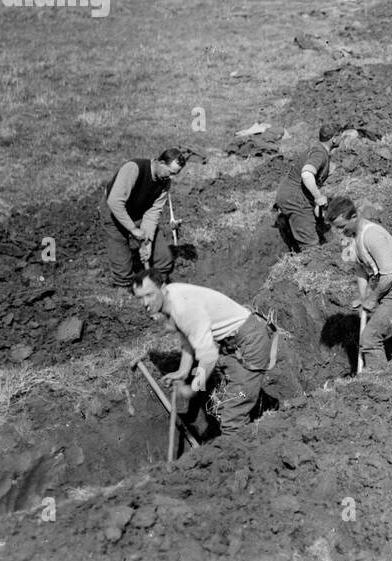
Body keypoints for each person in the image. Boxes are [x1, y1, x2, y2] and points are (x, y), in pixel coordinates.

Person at [135, 271, 277, 434]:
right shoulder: (171, 298)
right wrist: (182, 371)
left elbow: (209, 357)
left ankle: (241, 454)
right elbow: (188, 335)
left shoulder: (183, 308)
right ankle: (256, 405)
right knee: (230, 397)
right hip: (231, 344)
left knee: (232, 418)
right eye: (139, 297)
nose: (144, 302)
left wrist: (193, 389)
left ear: (163, 288)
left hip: (249, 343)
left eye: (149, 295)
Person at [325, 196, 392, 372]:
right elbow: (361, 271)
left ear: (353, 217)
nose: (339, 232)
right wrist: (363, 298)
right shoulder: (355, 237)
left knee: (370, 338)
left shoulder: (372, 235)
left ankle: (376, 384)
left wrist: (372, 299)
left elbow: (388, 275)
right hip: (387, 290)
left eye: (341, 226)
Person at [101, 148, 186, 287]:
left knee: (164, 259)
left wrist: (147, 243)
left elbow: (153, 212)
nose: (171, 177)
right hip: (114, 212)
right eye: (170, 172)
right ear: (161, 162)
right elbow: (115, 201)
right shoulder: (134, 168)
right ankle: (125, 295)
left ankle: (157, 286)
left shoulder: (165, 182)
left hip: (139, 212)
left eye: (175, 174)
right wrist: (133, 229)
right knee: (123, 273)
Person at [273, 124, 344, 252]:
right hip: (295, 199)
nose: (342, 139)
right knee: (311, 246)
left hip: (293, 195)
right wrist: (318, 197)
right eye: (341, 136)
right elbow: (306, 174)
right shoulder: (319, 154)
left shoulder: (318, 149)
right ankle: (308, 267)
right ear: (334, 139)